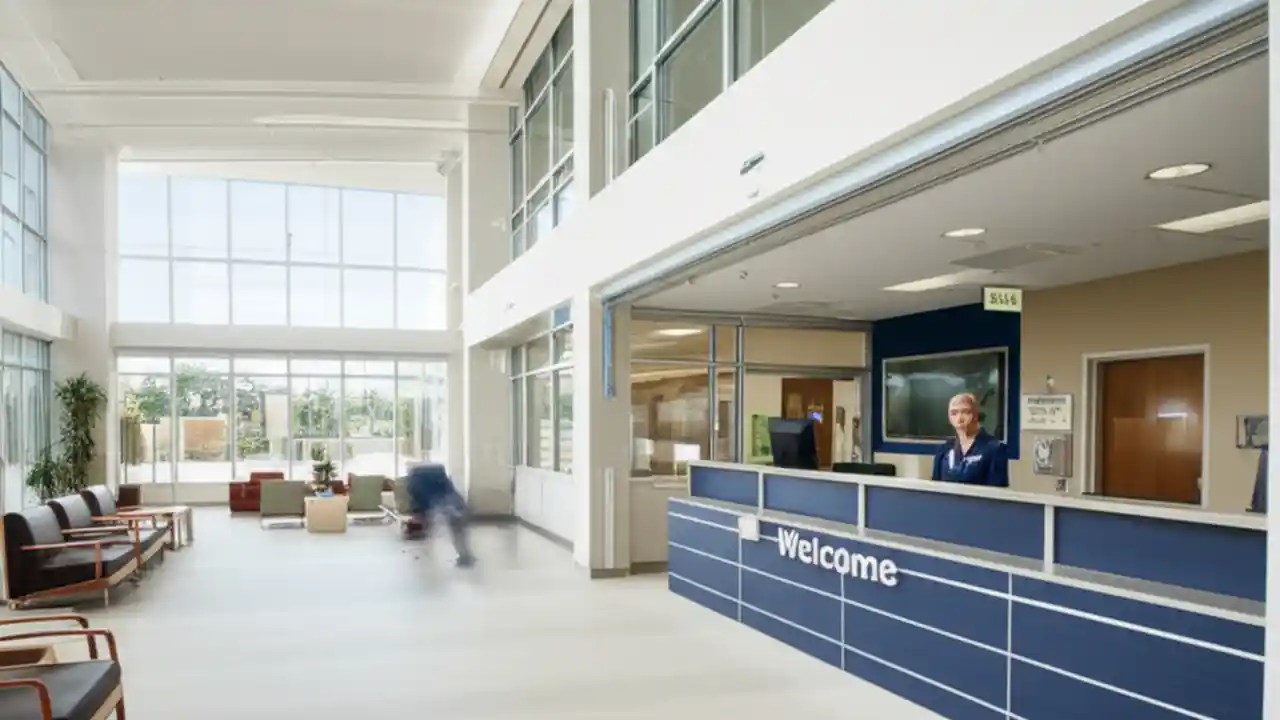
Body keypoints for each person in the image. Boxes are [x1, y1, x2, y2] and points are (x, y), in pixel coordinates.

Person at [405, 462, 476, 567]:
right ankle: (465, 555)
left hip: (442, 503)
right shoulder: (439, 480)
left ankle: (464, 556)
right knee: (457, 529)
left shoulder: (415, 483)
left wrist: (420, 515)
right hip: (451, 503)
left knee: (454, 527)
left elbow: (420, 502)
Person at [930, 393, 1009, 487]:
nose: (959, 418)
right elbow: (935, 490)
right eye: (954, 413)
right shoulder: (944, 450)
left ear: (976, 415)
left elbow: (998, 493)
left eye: (965, 412)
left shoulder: (994, 449)